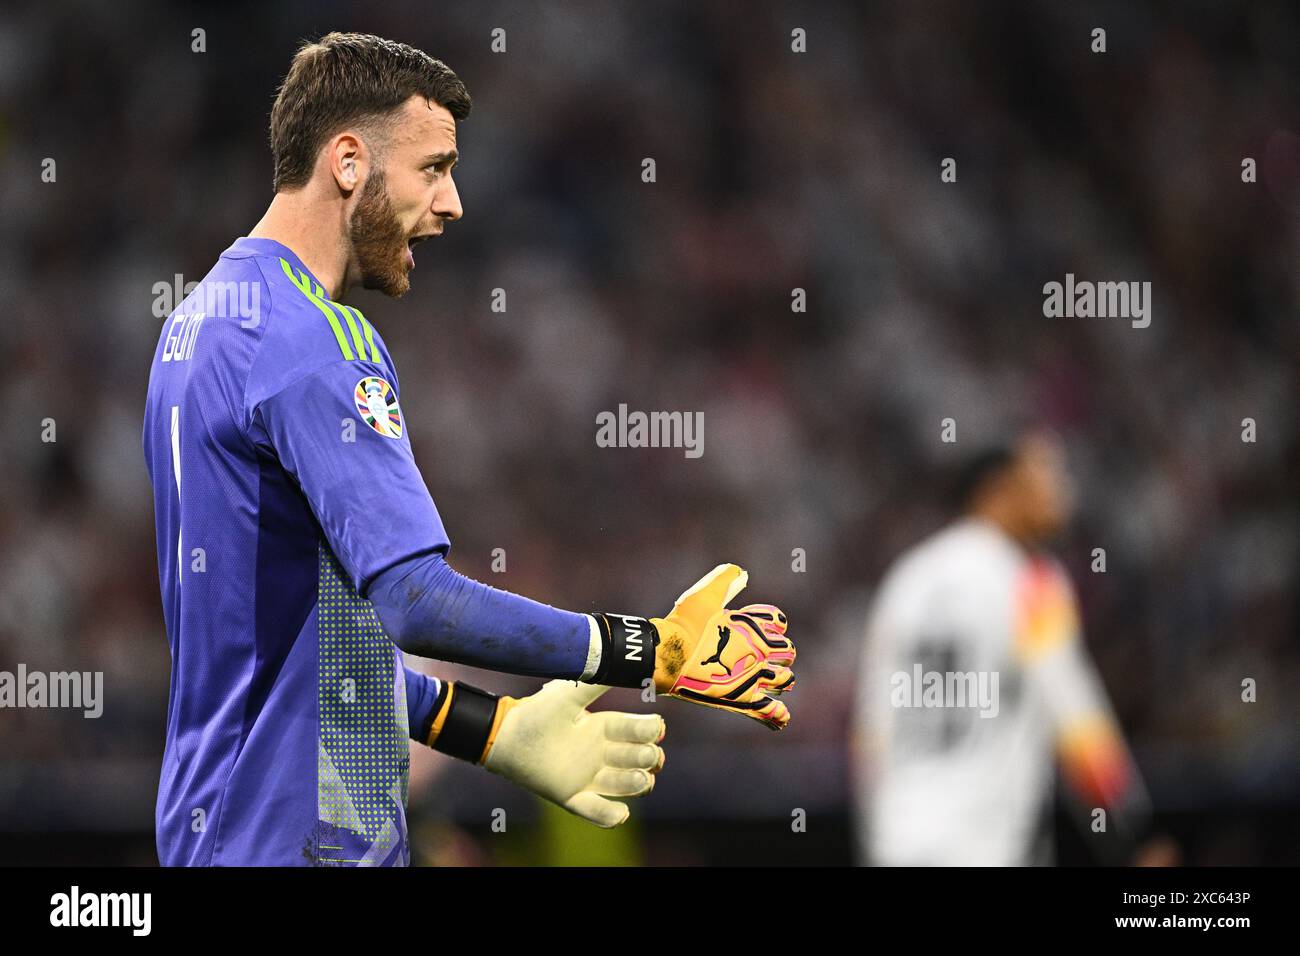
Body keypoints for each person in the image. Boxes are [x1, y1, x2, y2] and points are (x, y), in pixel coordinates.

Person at [142, 32, 795, 866]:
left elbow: (304, 657)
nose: (452, 203)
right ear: (348, 162)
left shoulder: (198, 323)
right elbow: (417, 600)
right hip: (300, 846)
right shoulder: (315, 339)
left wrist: (497, 731)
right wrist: (649, 648)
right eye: (434, 167)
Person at [850, 429, 1160, 865]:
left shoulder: (906, 579)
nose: (1062, 490)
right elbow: (1076, 719)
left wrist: (876, 834)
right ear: (999, 490)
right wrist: (1133, 835)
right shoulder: (1029, 578)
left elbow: (872, 733)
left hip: (898, 841)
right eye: (1046, 475)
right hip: (986, 844)